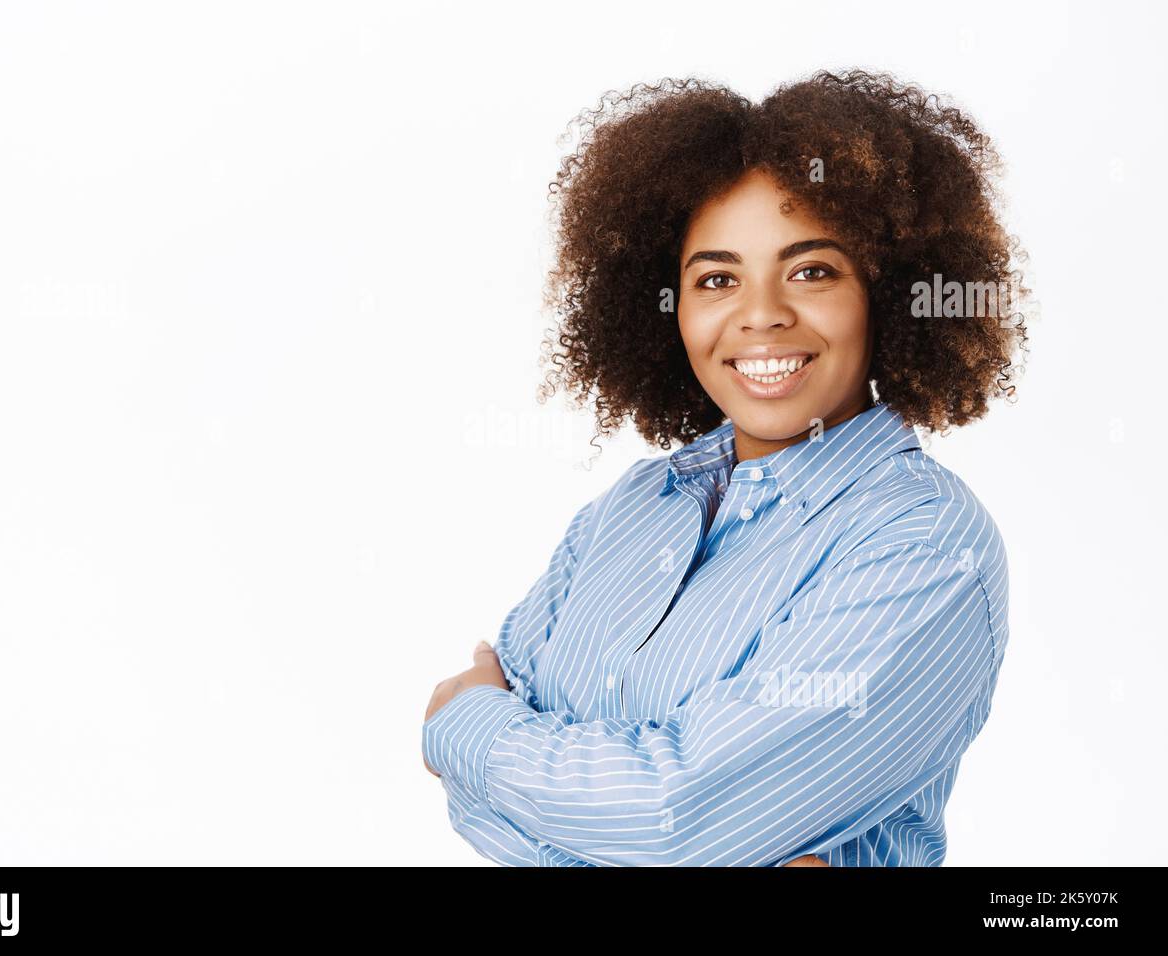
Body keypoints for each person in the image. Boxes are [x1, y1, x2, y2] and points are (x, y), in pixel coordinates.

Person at [422, 70, 1027, 866]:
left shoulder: (925, 544)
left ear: (886, 292)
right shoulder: (633, 508)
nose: (761, 314)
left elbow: (674, 818)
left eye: (812, 271)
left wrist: (465, 727)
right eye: (716, 279)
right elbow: (479, 810)